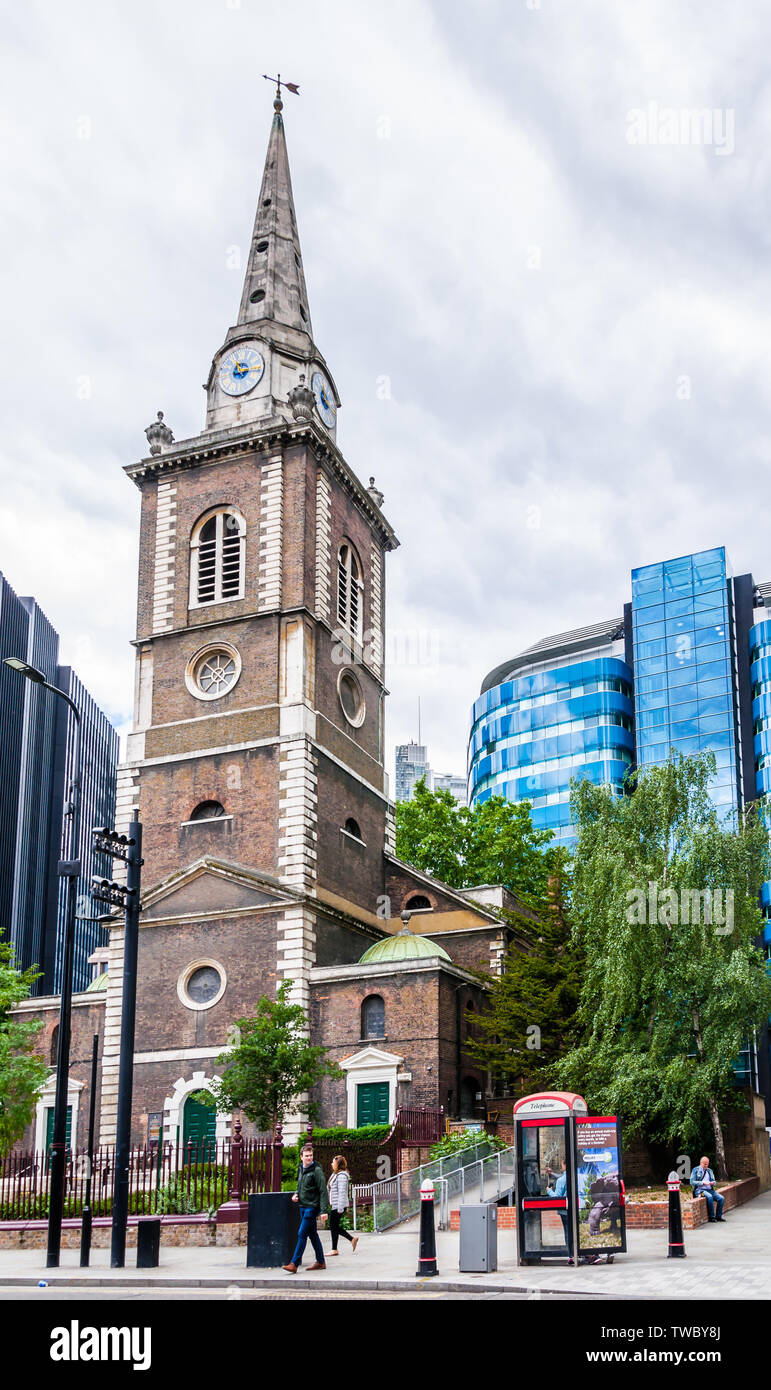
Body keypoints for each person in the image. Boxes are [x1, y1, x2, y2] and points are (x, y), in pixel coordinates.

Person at [283, 1142, 330, 1273]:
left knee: (301, 1233)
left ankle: (294, 1263)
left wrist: (323, 1210)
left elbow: (323, 1191)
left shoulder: (316, 1170)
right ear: (301, 1157)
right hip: (302, 1206)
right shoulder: (300, 1168)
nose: (309, 1158)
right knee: (313, 1234)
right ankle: (321, 1262)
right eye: (307, 1156)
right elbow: (300, 1184)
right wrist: (296, 1194)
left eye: (311, 1155)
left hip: (311, 1207)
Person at [327, 1154, 359, 1256]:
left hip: (339, 1205)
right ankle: (348, 1241)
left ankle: (336, 1248)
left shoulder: (342, 1176)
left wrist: (340, 1208)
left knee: (333, 1226)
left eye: (333, 1162)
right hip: (335, 1204)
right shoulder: (335, 1175)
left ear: (338, 1164)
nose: (332, 1164)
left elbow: (342, 1192)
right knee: (334, 1226)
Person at [690, 1156, 725, 1222]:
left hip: (710, 1190)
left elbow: (714, 1182)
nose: (706, 1165)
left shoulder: (709, 1171)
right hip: (700, 1191)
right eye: (705, 1164)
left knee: (721, 1198)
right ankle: (711, 1217)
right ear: (701, 1163)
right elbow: (692, 1182)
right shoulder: (695, 1170)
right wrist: (702, 1183)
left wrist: (712, 1183)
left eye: (707, 1164)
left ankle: (718, 1216)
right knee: (709, 1196)